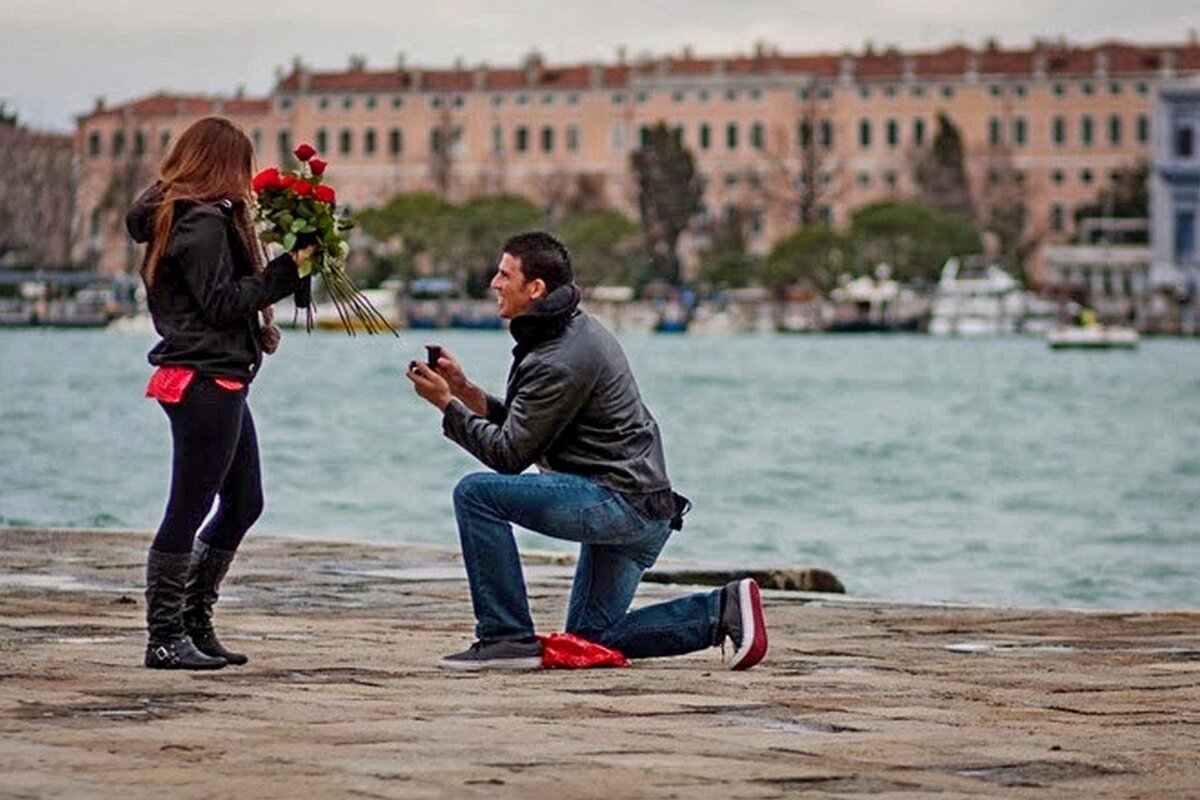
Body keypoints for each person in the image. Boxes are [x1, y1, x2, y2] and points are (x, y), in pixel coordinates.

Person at [406, 232, 768, 671]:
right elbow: (530, 427)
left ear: (535, 288)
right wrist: (464, 391)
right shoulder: (570, 330)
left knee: (476, 494)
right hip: (641, 508)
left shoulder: (560, 356)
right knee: (588, 640)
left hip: (617, 504)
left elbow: (508, 456)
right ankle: (721, 611)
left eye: (504, 274)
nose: (493, 284)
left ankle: (505, 637)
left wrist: (446, 405)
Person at [125, 116, 312, 670]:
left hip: (220, 375)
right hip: (203, 378)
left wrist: (290, 268)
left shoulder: (195, 217)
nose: (248, 181)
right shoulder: (199, 222)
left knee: (244, 501)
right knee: (189, 504)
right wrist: (285, 272)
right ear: (223, 167)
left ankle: (194, 619)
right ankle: (164, 635)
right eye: (243, 167)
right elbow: (223, 303)